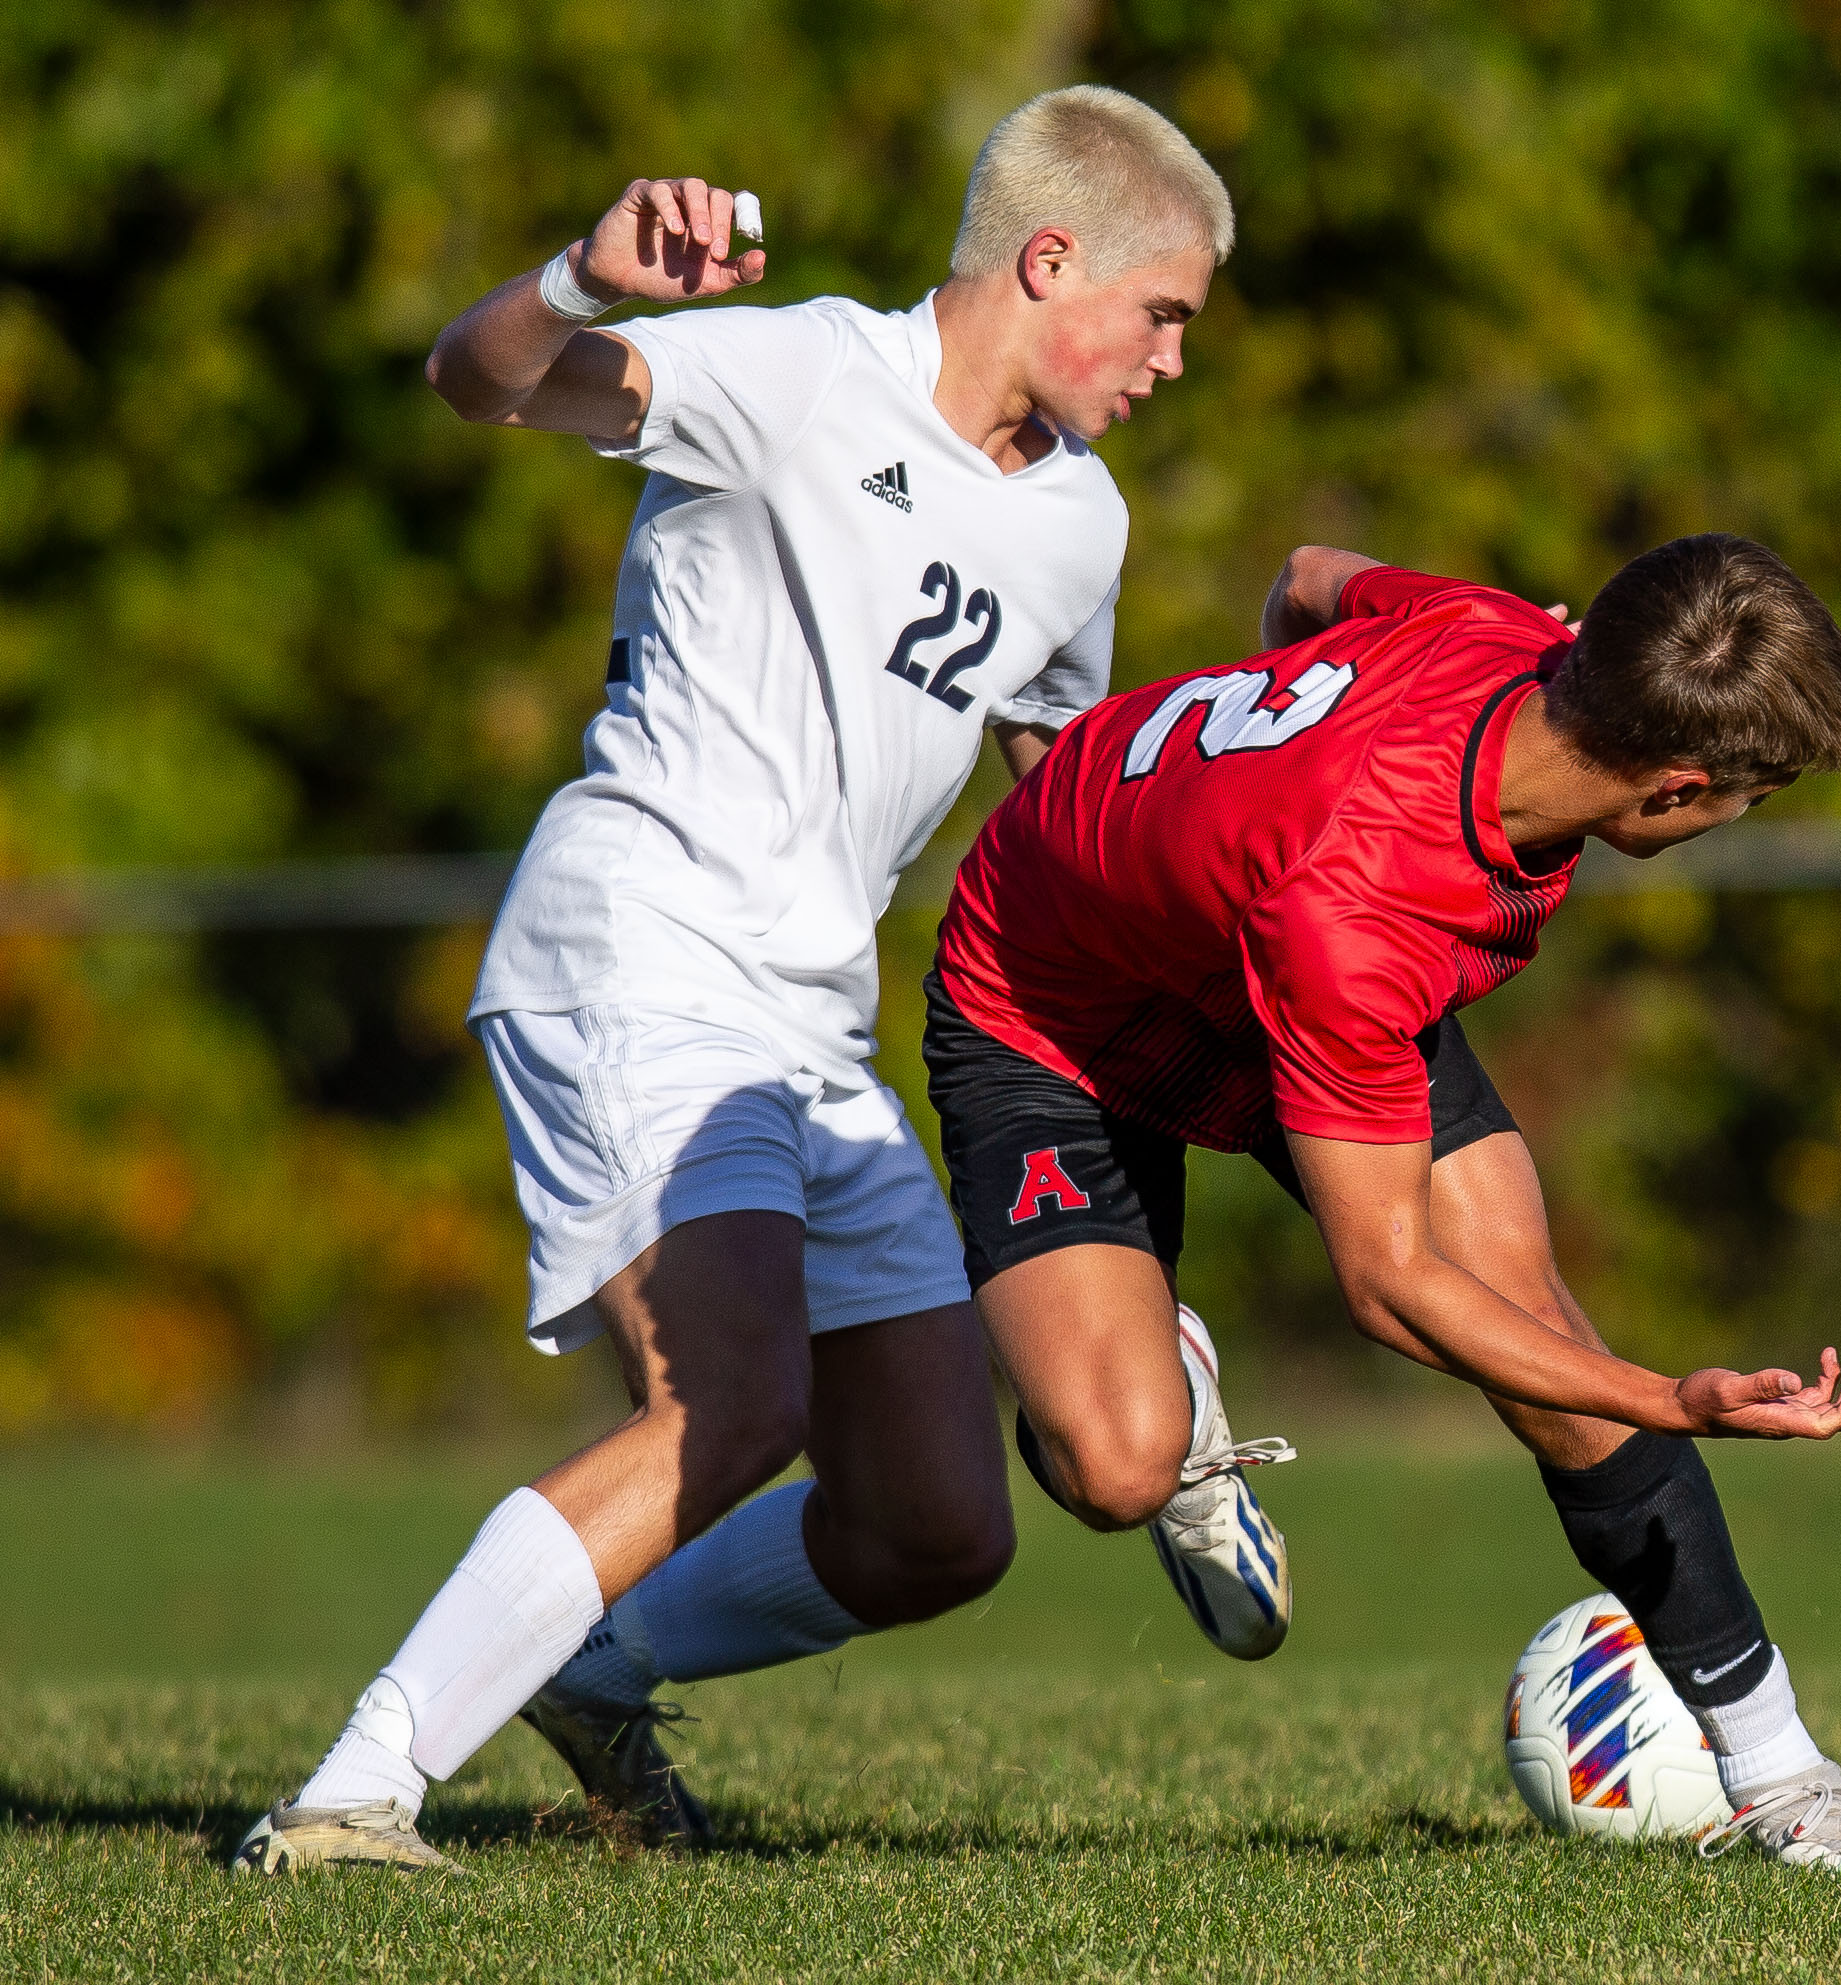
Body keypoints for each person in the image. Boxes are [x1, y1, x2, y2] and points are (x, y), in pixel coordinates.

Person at [234, 87, 1246, 1875]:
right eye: (1162, 312)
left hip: (811, 1025)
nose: (1174, 359)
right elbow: (474, 383)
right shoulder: (796, 373)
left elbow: (1057, 793)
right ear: (1049, 256)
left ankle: (594, 1666)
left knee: (939, 1518)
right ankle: (350, 1794)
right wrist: (576, 280)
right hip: (636, 943)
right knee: (736, 1402)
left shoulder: (1080, 523)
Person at [921, 534, 1841, 1871]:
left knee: (1543, 1338)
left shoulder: (1504, 639)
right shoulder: (1358, 906)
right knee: (1113, 1466)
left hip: (1270, 938)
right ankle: (1165, 1371)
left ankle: (1783, 1776)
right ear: (1678, 787)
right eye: (1755, 794)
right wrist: (1668, 1398)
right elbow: (1385, 1286)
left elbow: (1311, 572)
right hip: (1049, 1006)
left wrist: (1259, 805)